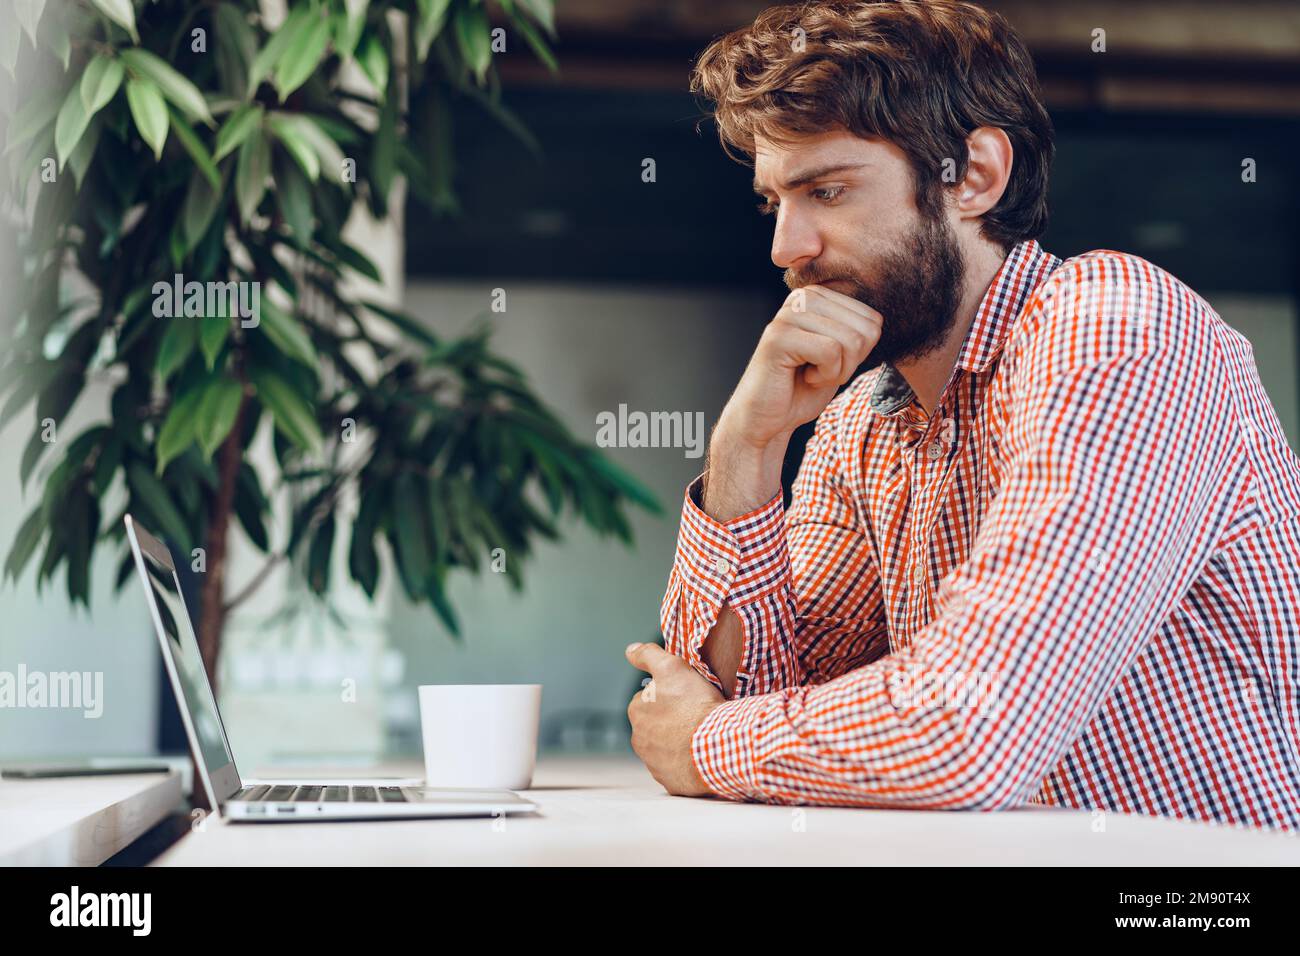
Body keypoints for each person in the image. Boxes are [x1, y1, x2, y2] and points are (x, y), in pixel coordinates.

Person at [625, 0, 1300, 831]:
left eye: (826, 190)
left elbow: (972, 727)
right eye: (774, 203)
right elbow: (764, 708)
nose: (786, 248)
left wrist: (704, 744)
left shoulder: (1115, 328)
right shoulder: (861, 422)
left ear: (974, 175)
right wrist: (747, 448)